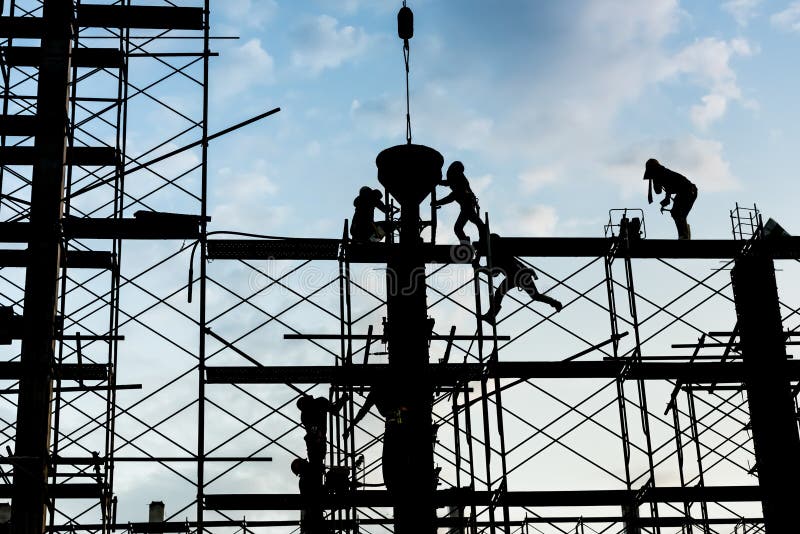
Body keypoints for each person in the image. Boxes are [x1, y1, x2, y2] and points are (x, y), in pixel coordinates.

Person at [480, 234, 562, 324]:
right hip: (522, 274)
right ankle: (555, 303)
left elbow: (494, 273)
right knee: (535, 296)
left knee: (499, 293)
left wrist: (480, 268)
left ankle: (491, 316)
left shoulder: (496, 254)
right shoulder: (502, 250)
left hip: (514, 276)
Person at [643, 158, 697, 240]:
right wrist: (654, 181)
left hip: (688, 191)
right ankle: (684, 235)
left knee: (678, 213)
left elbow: (669, 188)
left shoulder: (663, 173)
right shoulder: (659, 175)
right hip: (684, 192)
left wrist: (667, 199)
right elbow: (658, 191)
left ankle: (684, 236)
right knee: (678, 214)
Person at [433, 161, 487, 244]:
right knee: (473, 223)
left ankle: (472, 241)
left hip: (467, 206)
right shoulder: (460, 180)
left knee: (459, 227)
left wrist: (437, 202)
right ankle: (471, 240)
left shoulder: (460, 185)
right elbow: (449, 183)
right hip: (467, 205)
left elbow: (450, 197)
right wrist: (439, 182)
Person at [297, 394, 348, 470]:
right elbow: (334, 410)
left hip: (315, 440)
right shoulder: (320, 402)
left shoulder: (305, 415)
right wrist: (343, 399)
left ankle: (317, 470)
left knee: (316, 462)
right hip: (317, 440)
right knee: (317, 462)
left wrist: (343, 399)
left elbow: (312, 429)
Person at [291, 458, 326, 534]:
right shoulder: (306, 477)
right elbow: (315, 492)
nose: (306, 461)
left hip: (312, 514)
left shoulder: (304, 478)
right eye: (303, 462)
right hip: (313, 513)